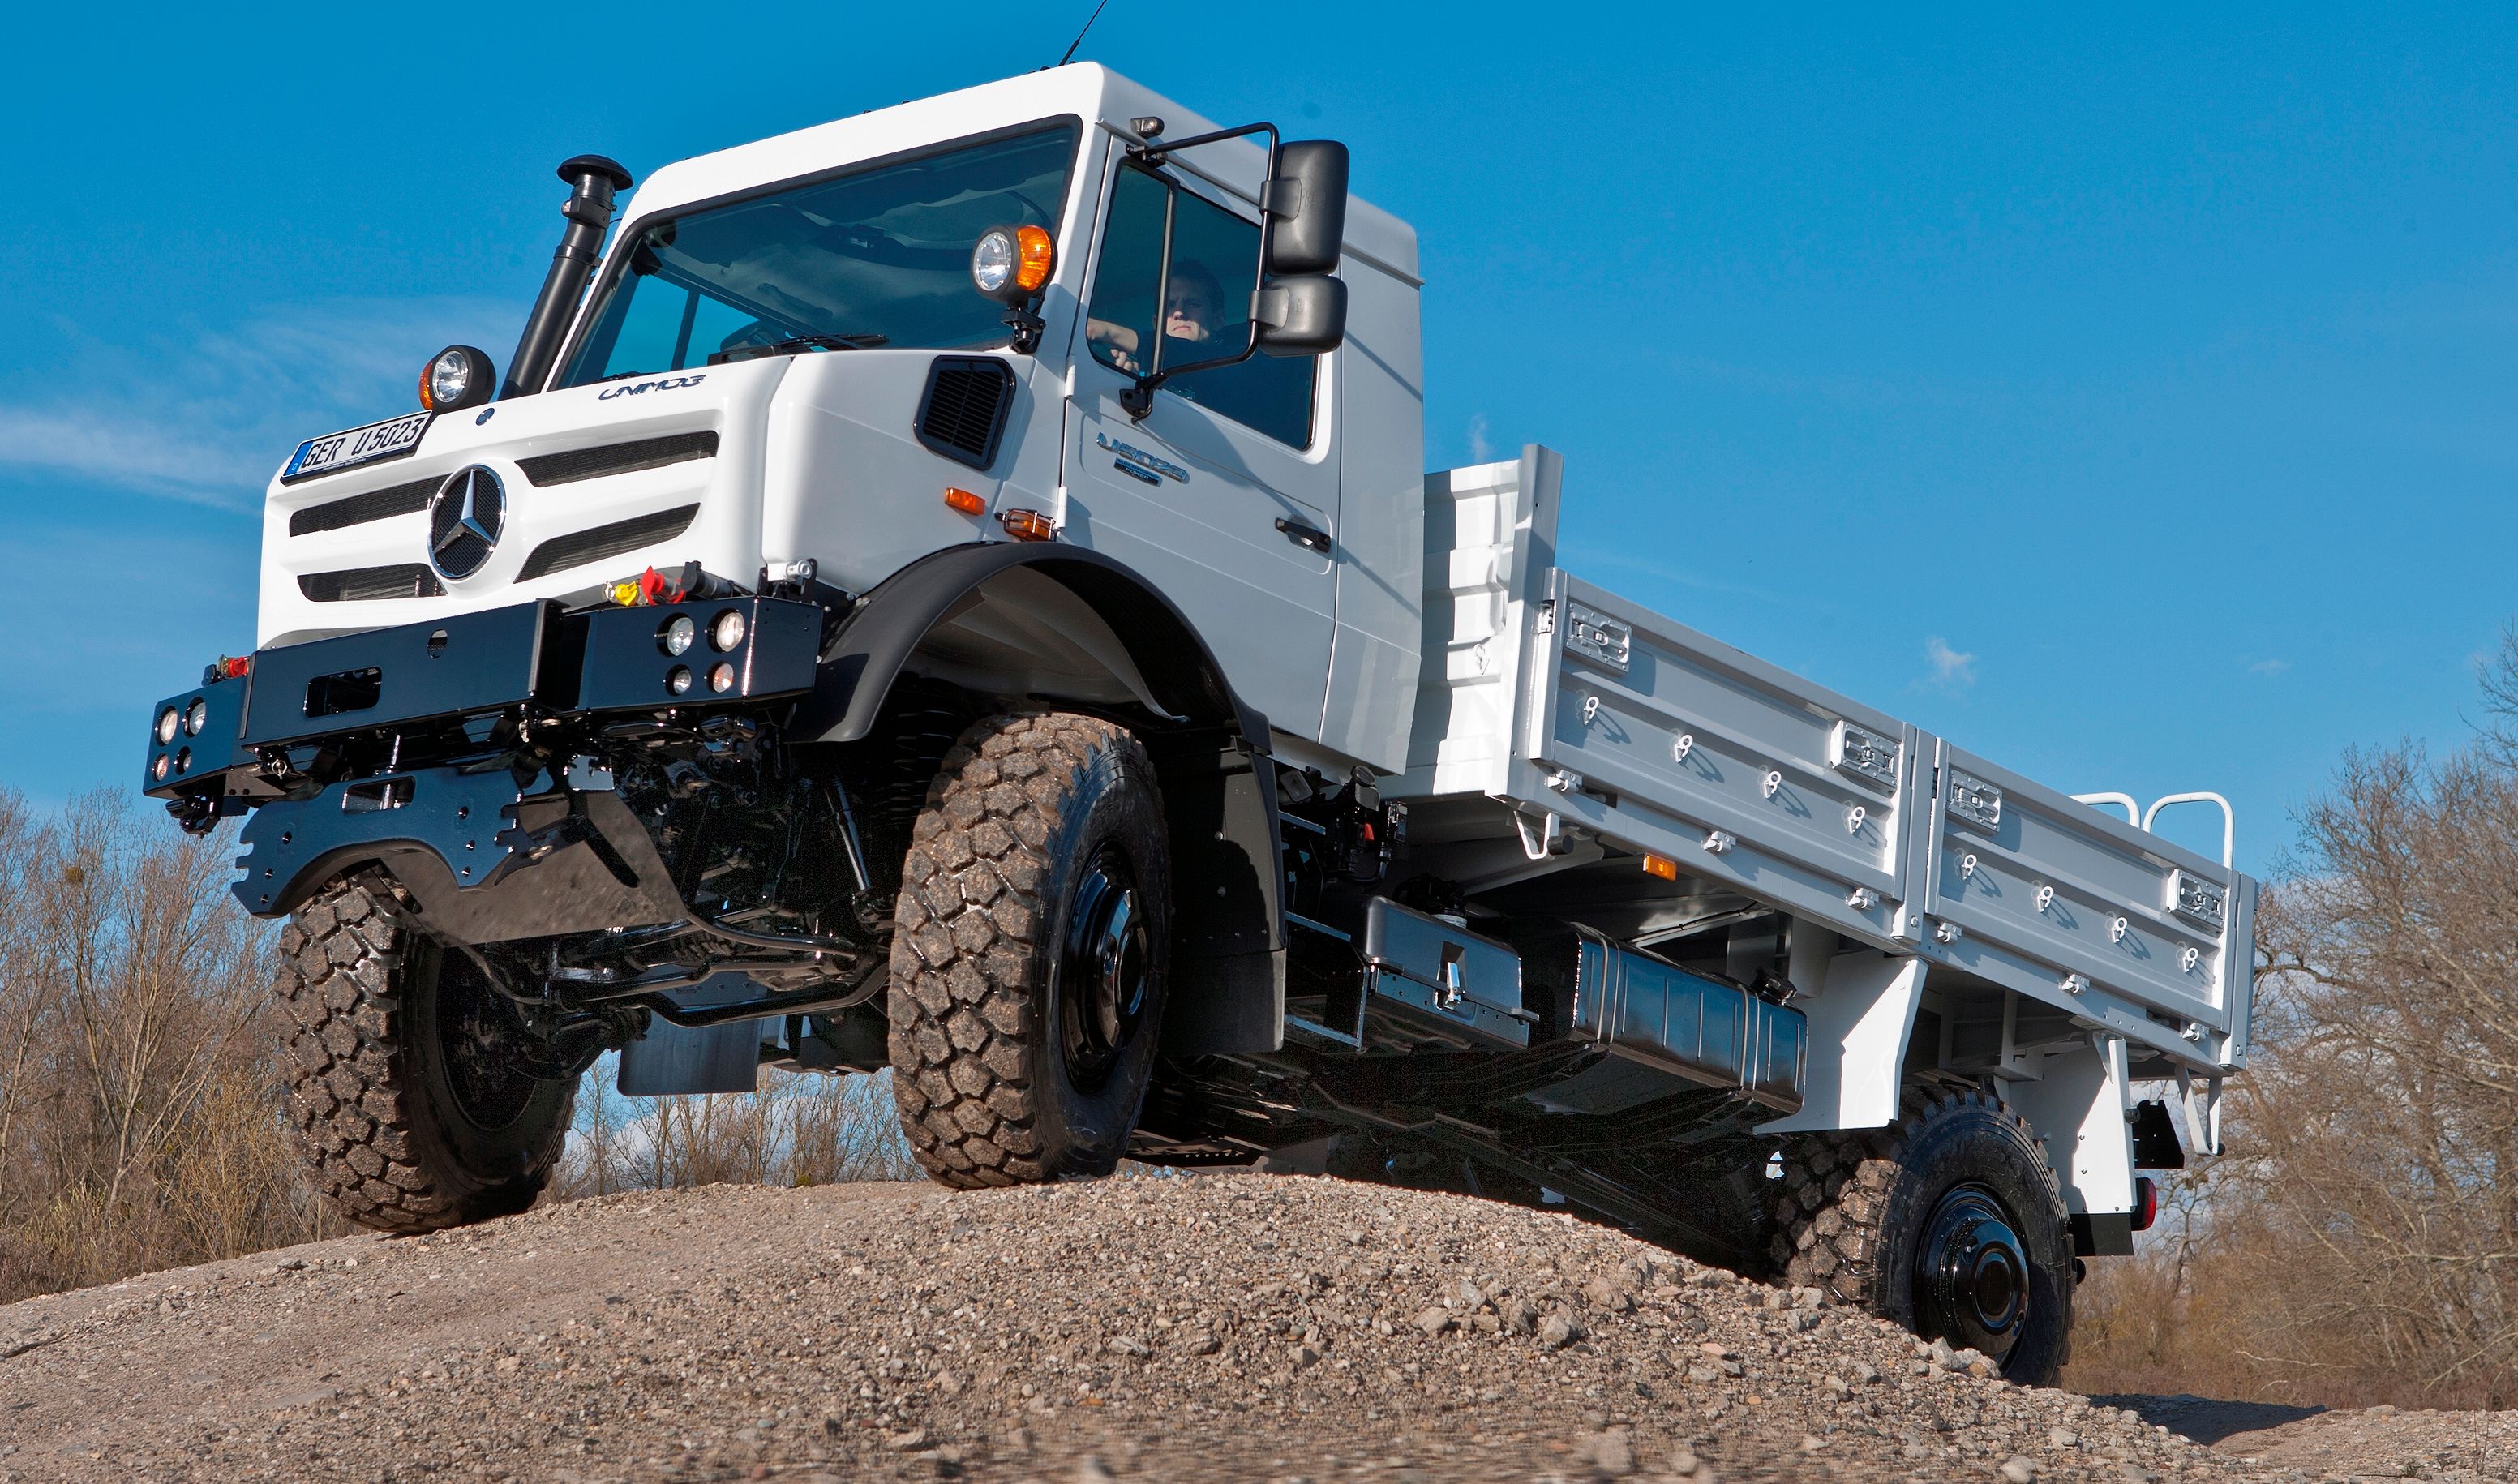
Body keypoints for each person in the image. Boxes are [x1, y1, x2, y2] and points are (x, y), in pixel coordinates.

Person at [1087, 260, 1227, 375]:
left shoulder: (1239, 363)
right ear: (1156, 323)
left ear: (1217, 320)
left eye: (1193, 303)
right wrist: (1133, 378)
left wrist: (1108, 332)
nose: (1178, 312)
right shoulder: (1145, 370)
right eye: (1169, 306)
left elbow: (1188, 354)